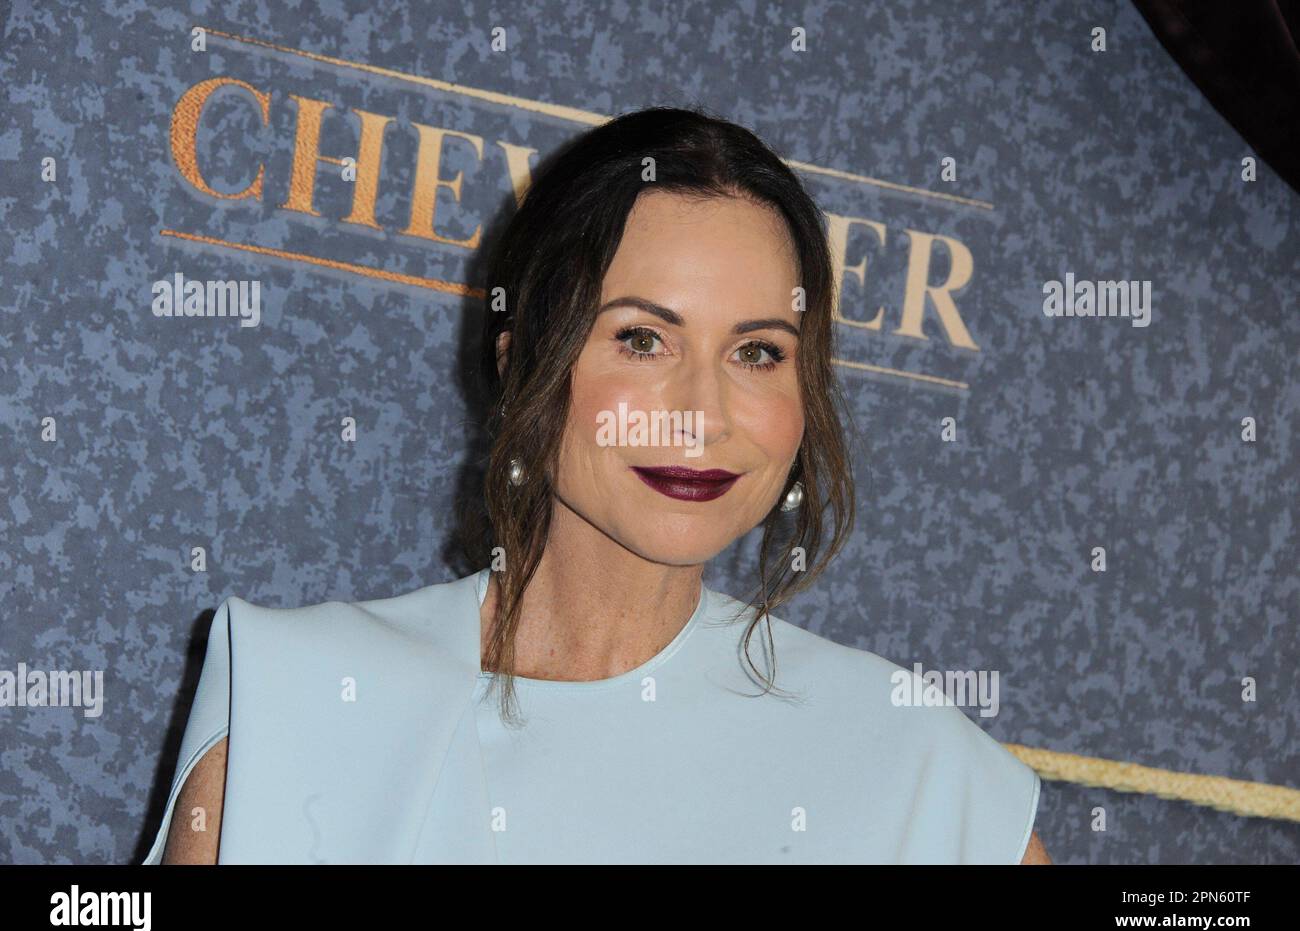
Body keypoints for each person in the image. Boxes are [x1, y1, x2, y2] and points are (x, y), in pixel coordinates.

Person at [144, 106, 1050, 864]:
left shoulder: (917, 769)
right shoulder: (298, 701)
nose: (701, 414)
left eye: (758, 352)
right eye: (643, 339)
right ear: (522, 357)